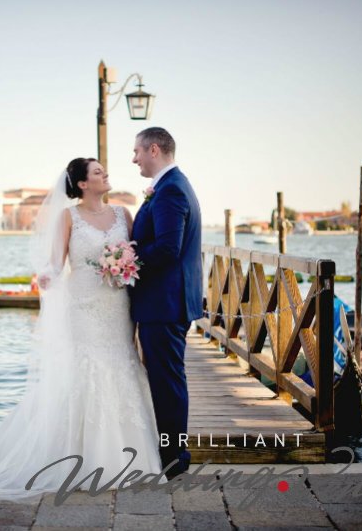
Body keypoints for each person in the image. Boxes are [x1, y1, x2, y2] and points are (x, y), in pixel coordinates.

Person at [0, 158, 164, 513]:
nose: (105, 174)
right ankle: (80, 456)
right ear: (82, 184)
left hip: (117, 304)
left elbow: (137, 254)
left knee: (121, 364)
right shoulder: (68, 217)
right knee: (88, 369)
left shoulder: (123, 214)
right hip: (83, 306)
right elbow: (55, 262)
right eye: (98, 172)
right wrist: (47, 276)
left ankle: (129, 454)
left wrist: (125, 266)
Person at [129, 127, 203, 478]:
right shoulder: (172, 185)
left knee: (167, 381)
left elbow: (168, 248)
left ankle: (174, 458)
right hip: (167, 301)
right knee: (166, 378)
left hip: (164, 303)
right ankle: (172, 452)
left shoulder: (170, 189)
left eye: (137, 152)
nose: (134, 159)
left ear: (154, 150)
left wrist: (128, 257)